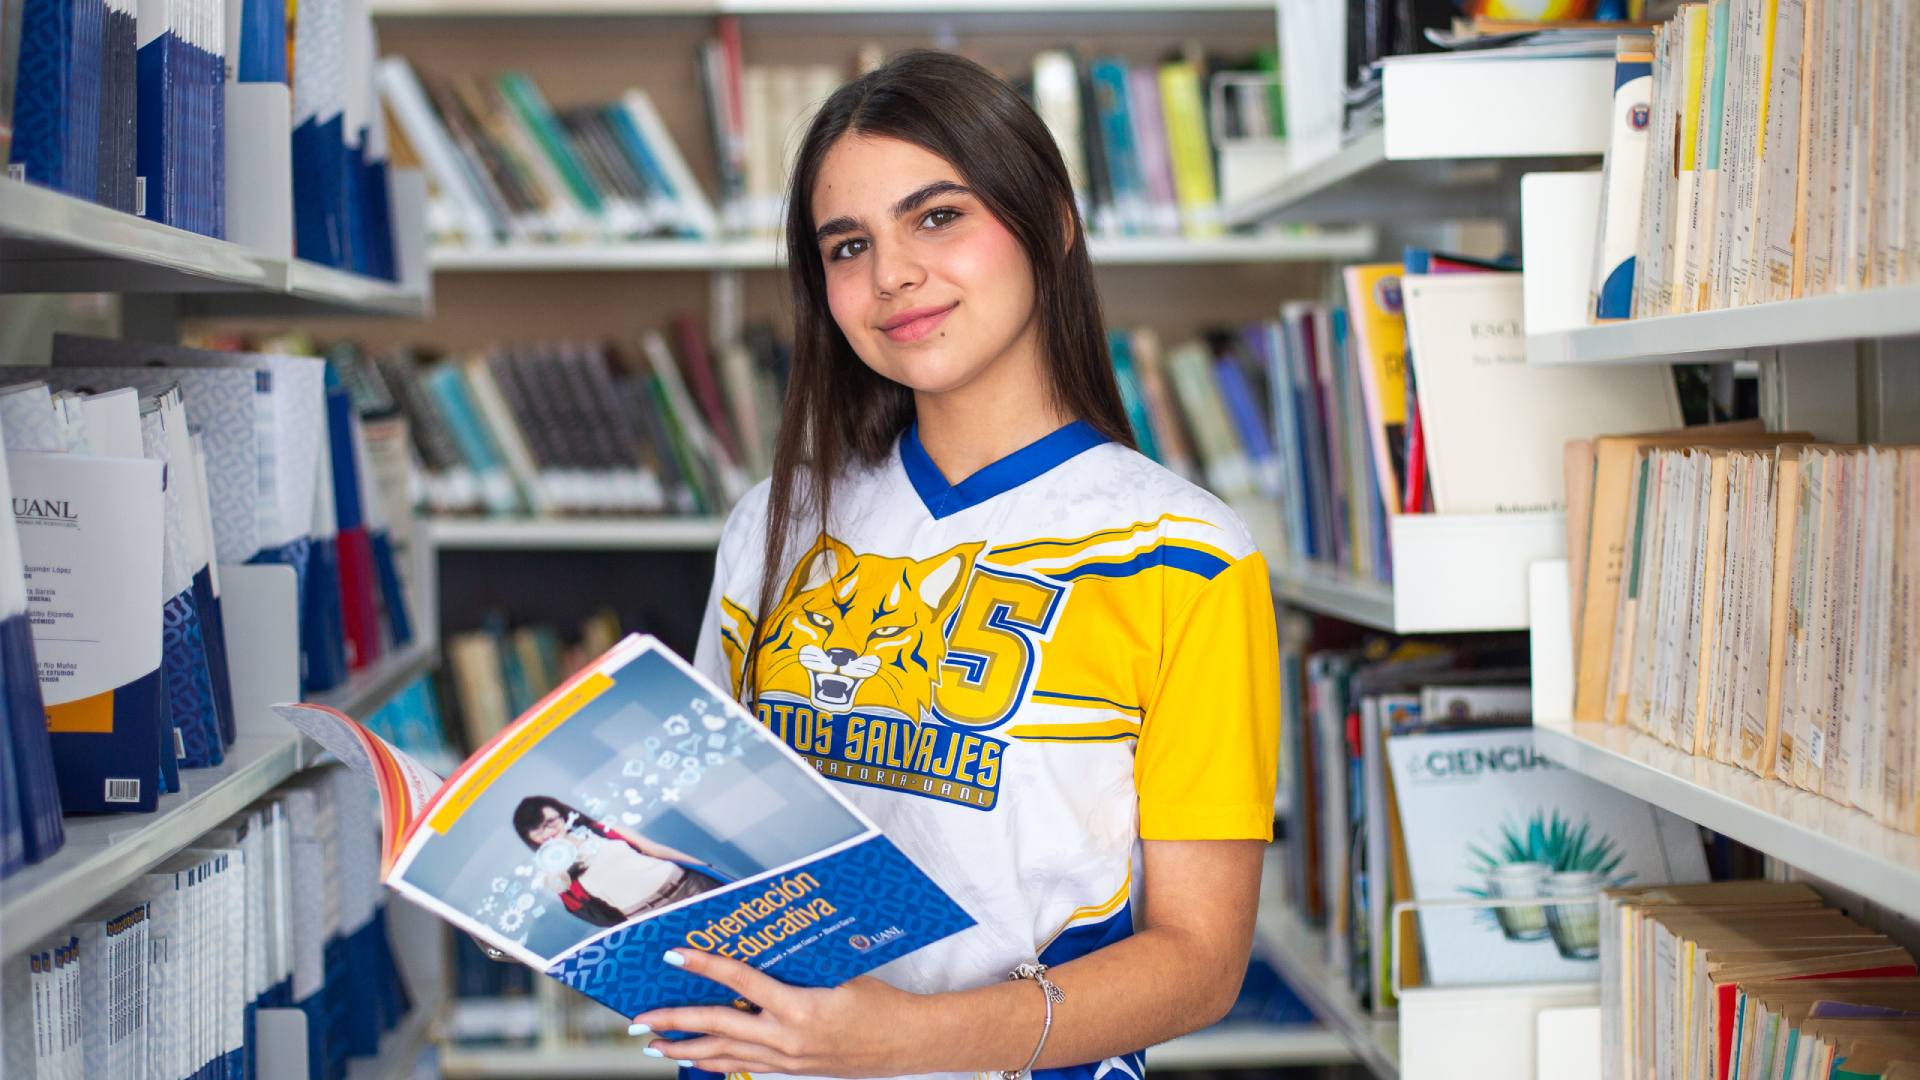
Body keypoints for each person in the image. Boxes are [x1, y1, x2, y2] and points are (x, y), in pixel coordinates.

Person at [642, 50, 1281, 1080]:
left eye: (938, 217)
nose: (891, 274)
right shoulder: (772, 525)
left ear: (1052, 224)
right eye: (849, 245)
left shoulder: (1186, 556)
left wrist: (906, 1038)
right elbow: (715, 851)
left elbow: (1201, 963)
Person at [512, 794, 723, 926]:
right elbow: (568, 894)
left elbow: (654, 850)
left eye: (550, 821)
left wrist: (707, 868)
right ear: (528, 837)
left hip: (686, 885)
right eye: (536, 829)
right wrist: (556, 865)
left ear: (563, 816)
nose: (547, 830)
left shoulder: (601, 831)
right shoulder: (551, 872)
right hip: (651, 918)